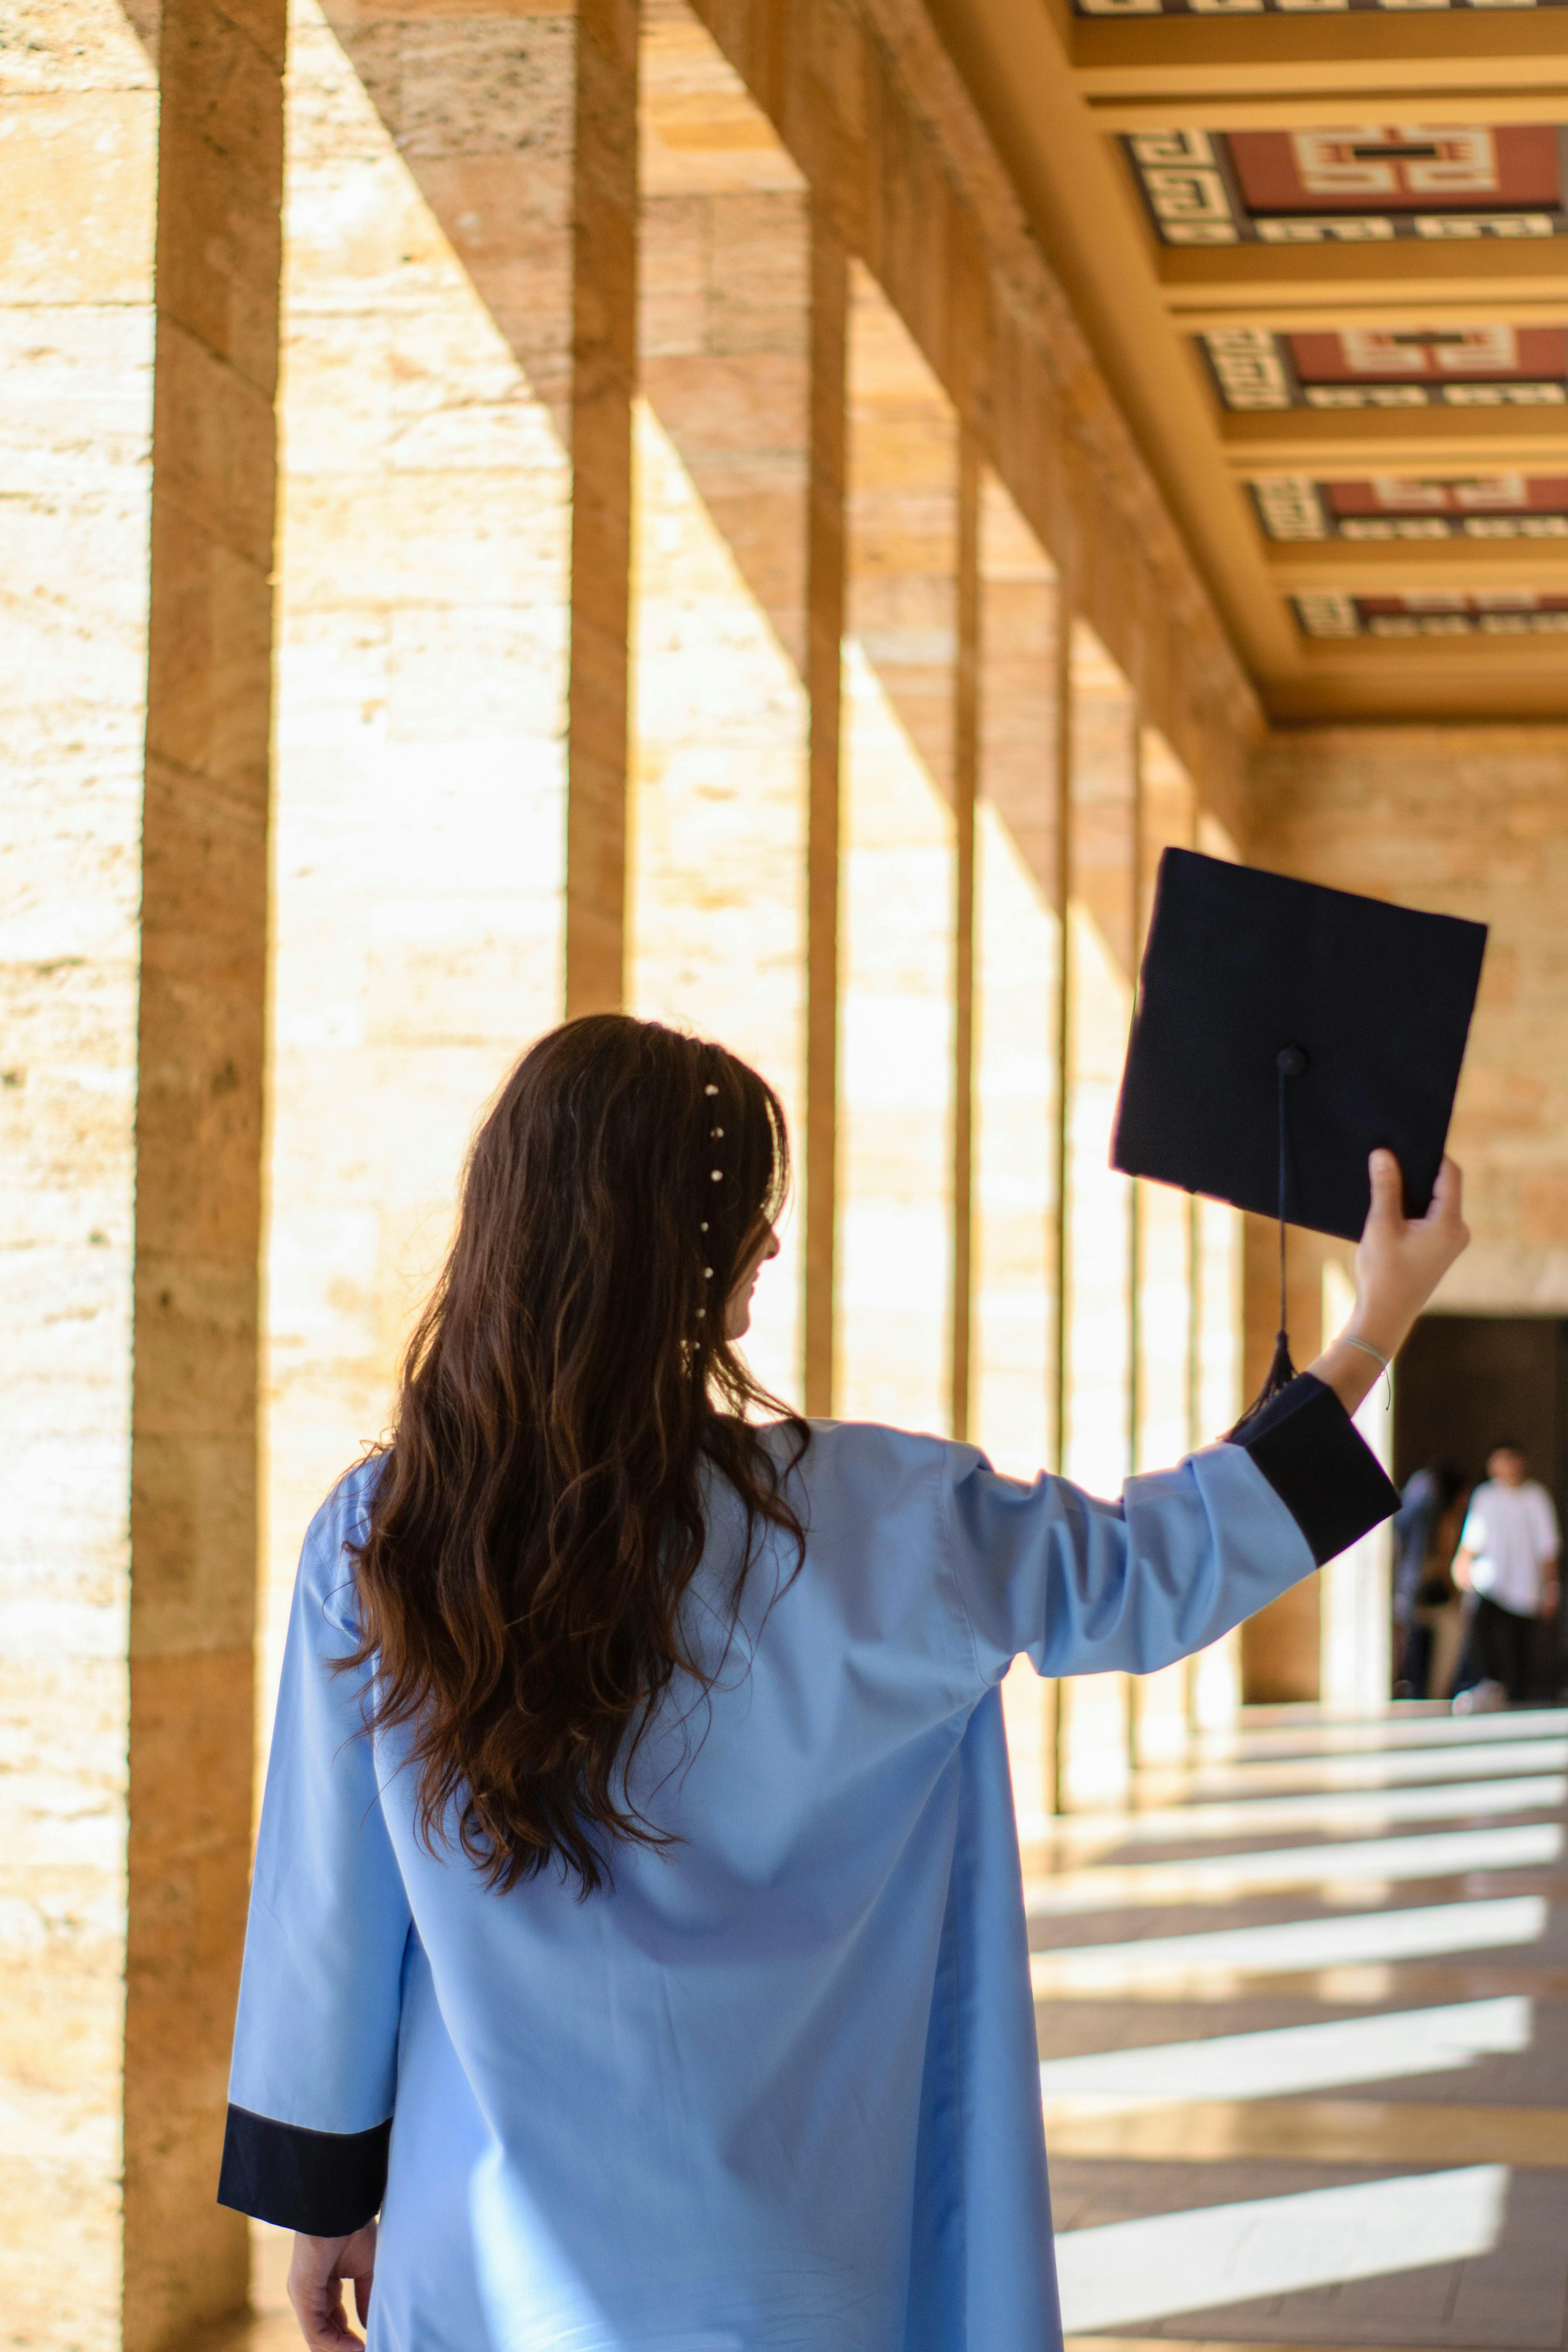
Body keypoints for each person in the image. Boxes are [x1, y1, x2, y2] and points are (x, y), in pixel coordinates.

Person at [218, 1016, 1469, 2352]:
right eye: (742, 1210)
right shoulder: (888, 1519)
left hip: (489, 2266)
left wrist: (325, 2199)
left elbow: (327, 1914)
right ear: (670, 1243)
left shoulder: (382, 1539)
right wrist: (1374, 1325)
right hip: (806, 2270)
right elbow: (1155, 1566)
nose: (769, 1242)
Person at [1451, 1441, 1561, 1710]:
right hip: (1491, 1584)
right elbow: (1473, 1538)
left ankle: (1518, 1699)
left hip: (1525, 1587)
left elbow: (1548, 1546)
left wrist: (1551, 1585)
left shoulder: (1536, 1497)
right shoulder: (1486, 1496)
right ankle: (1489, 1684)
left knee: (1519, 1646)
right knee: (1483, 1634)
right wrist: (1462, 1563)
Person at [1391, 1461, 1467, 1699]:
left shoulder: (1422, 1502)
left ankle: (1430, 1694)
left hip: (1413, 1592)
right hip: (1414, 1592)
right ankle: (1434, 1694)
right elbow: (1441, 1563)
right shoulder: (1429, 1507)